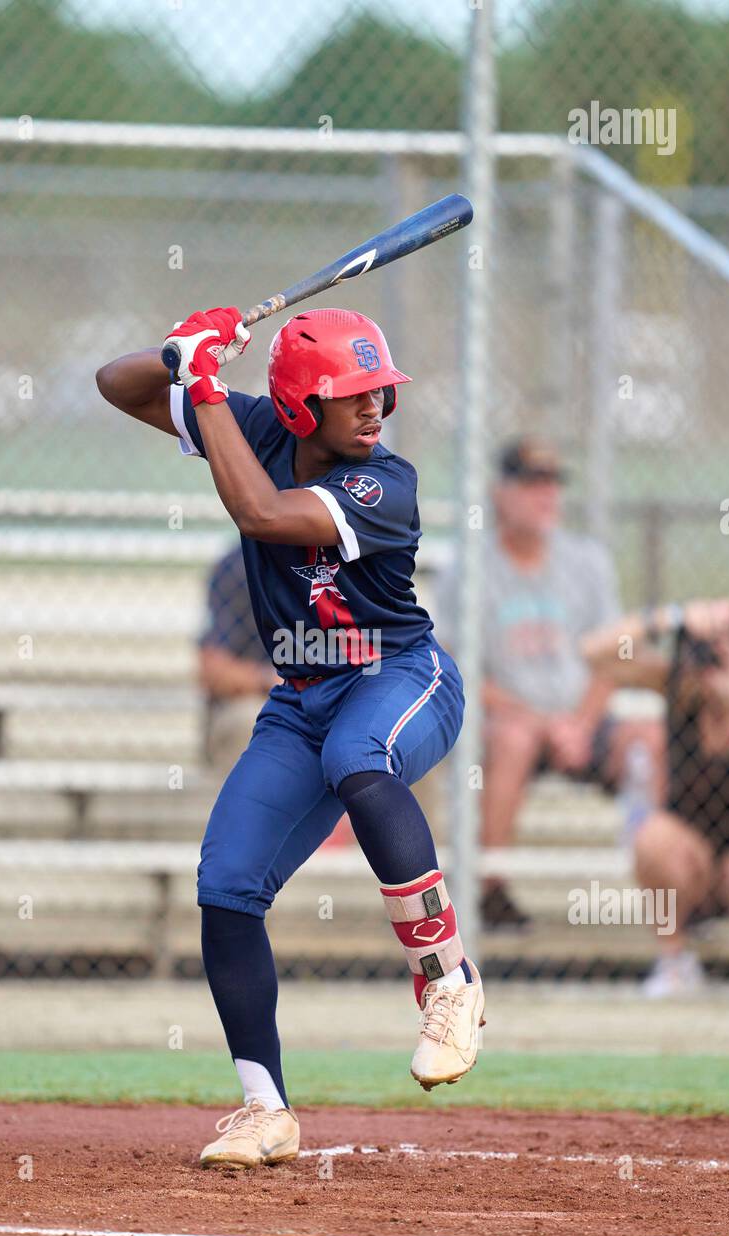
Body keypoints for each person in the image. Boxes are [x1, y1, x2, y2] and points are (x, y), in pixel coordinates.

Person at [96, 306, 485, 1168]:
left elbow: (262, 512)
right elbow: (115, 386)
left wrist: (203, 388)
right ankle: (264, 1109)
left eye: (378, 390)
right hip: (303, 694)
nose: (375, 407)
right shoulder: (260, 424)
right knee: (226, 883)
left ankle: (447, 979)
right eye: (351, 395)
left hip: (400, 677)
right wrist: (183, 349)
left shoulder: (386, 482)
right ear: (301, 406)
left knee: (357, 757)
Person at [472, 438, 663, 930]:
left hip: (585, 719)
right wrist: (542, 723)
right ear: (501, 493)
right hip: (511, 723)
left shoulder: (587, 562)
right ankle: (493, 893)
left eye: (553, 485)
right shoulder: (472, 570)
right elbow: (461, 669)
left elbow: (613, 659)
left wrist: (579, 724)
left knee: (650, 738)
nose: (547, 496)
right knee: (513, 738)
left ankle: (676, 894)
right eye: (533, 484)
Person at [582, 598, 729, 996]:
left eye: (722, 644)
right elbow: (593, 652)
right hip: (688, 847)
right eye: (701, 646)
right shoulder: (676, 686)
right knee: (652, 838)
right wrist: (672, 617)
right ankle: (674, 959)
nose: (709, 657)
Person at [198, 545, 276, 779]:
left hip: (330, 701)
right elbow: (212, 671)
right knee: (253, 722)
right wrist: (269, 680)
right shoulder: (241, 564)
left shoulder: (352, 557)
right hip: (259, 701)